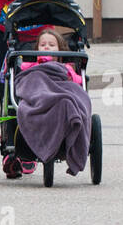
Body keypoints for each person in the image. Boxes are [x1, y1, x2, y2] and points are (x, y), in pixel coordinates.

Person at [10, 27, 92, 177]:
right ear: (37, 49)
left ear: (60, 51)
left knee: (67, 100)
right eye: (43, 45)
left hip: (61, 92)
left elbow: (77, 83)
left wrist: (68, 75)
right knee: (42, 91)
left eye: (51, 45)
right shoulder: (30, 66)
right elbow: (24, 80)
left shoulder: (66, 67)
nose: (46, 47)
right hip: (38, 95)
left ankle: (67, 126)